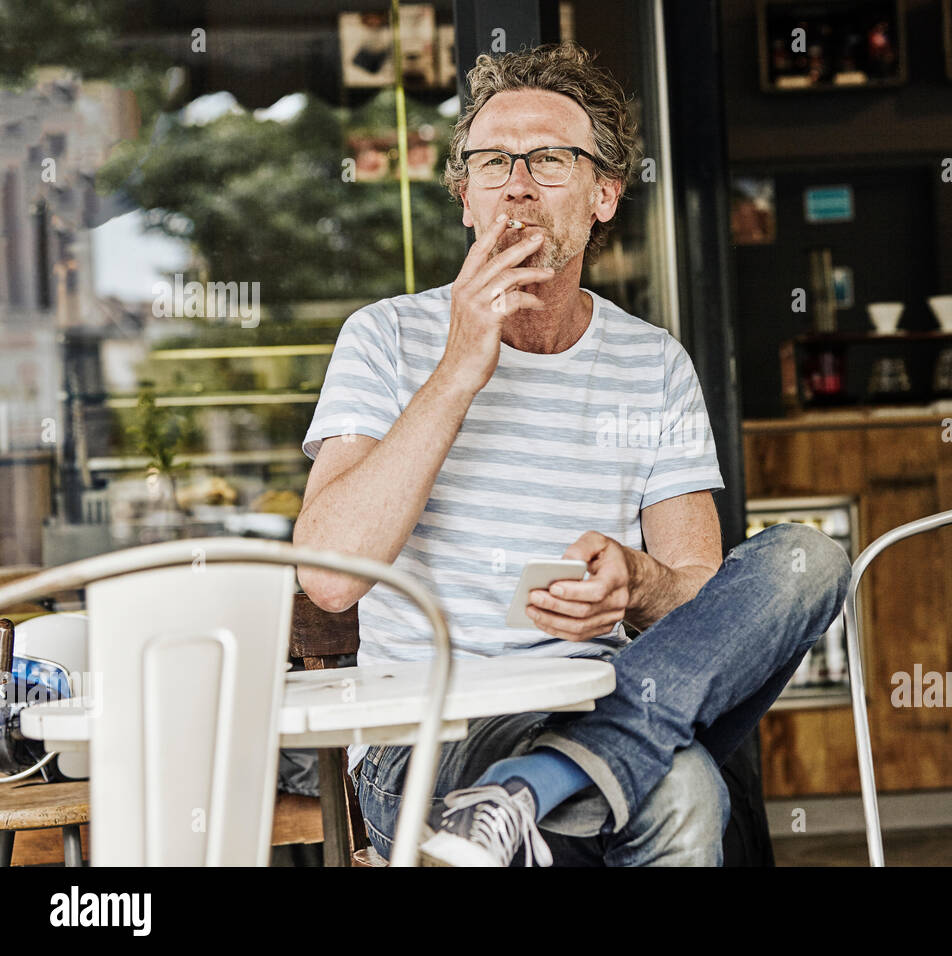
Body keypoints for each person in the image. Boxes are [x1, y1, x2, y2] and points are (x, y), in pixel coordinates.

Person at [295, 42, 849, 867]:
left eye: (549, 160)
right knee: (686, 789)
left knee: (809, 560)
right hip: (427, 736)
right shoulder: (386, 337)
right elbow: (331, 578)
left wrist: (639, 584)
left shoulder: (654, 363)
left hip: (600, 699)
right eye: (492, 162)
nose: (517, 184)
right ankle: (547, 782)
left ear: (604, 196)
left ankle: (532, 787)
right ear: (466, 199)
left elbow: (698, 594)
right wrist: (458, 370)